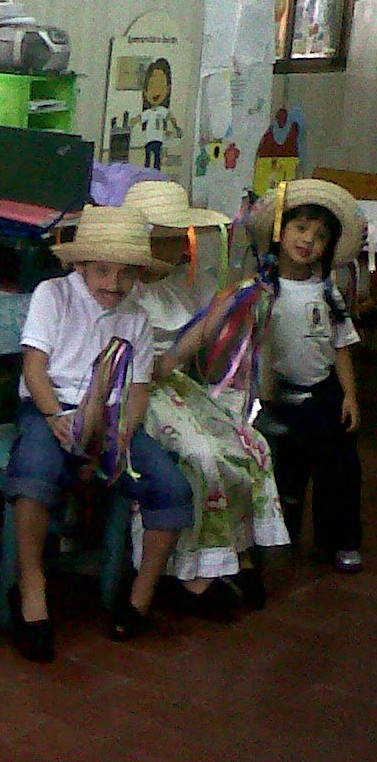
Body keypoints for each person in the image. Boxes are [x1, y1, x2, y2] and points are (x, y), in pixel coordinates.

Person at [6, 205, 194, 663]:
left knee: (171, 488)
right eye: (103, 271)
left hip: (111, 420)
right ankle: (32, 590)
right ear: (81, 265)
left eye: (125, 274)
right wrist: (57, 418)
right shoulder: (53, 295)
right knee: (34, 472)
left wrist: (121, 438)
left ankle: (138, 601)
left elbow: (139, 391)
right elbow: (34, 371)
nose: (113, 283)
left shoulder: (138, 319)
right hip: (51, 409)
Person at [123, 181, 289, 612]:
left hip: (176, 387)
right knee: (199, 454)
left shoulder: (183, 285)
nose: (180, 247)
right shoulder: (125, 292)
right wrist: (204, 328)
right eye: (170, 238)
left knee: (249, 444)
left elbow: (197, 354)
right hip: (138, 391)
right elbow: (151, 366)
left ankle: (236, 553)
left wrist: (229, 311)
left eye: (183, 238)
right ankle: (194, 574)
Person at [248, 178, 365, 573]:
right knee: (286, 473)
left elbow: (341, 347)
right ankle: (283, 537)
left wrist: (349, 395)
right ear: (280, 232)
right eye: (300, 228)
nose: (308, 240)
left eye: (318, 236)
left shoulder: (326, 292)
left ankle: (341, 540)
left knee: (340, 471)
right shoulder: (263, 290)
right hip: (280, 399)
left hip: (324, 393)